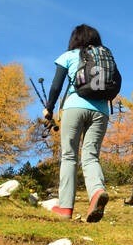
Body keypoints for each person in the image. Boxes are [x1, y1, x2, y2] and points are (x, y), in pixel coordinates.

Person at [42, 24, 111, 222]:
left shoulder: (70, 55)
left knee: (69, 156)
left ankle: (65, 208)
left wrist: (49, 107)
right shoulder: (104, 56)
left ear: (75, 39)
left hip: (75, 107)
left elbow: (56, 85)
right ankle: (97, 192)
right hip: (102, 111)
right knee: (90, 156)